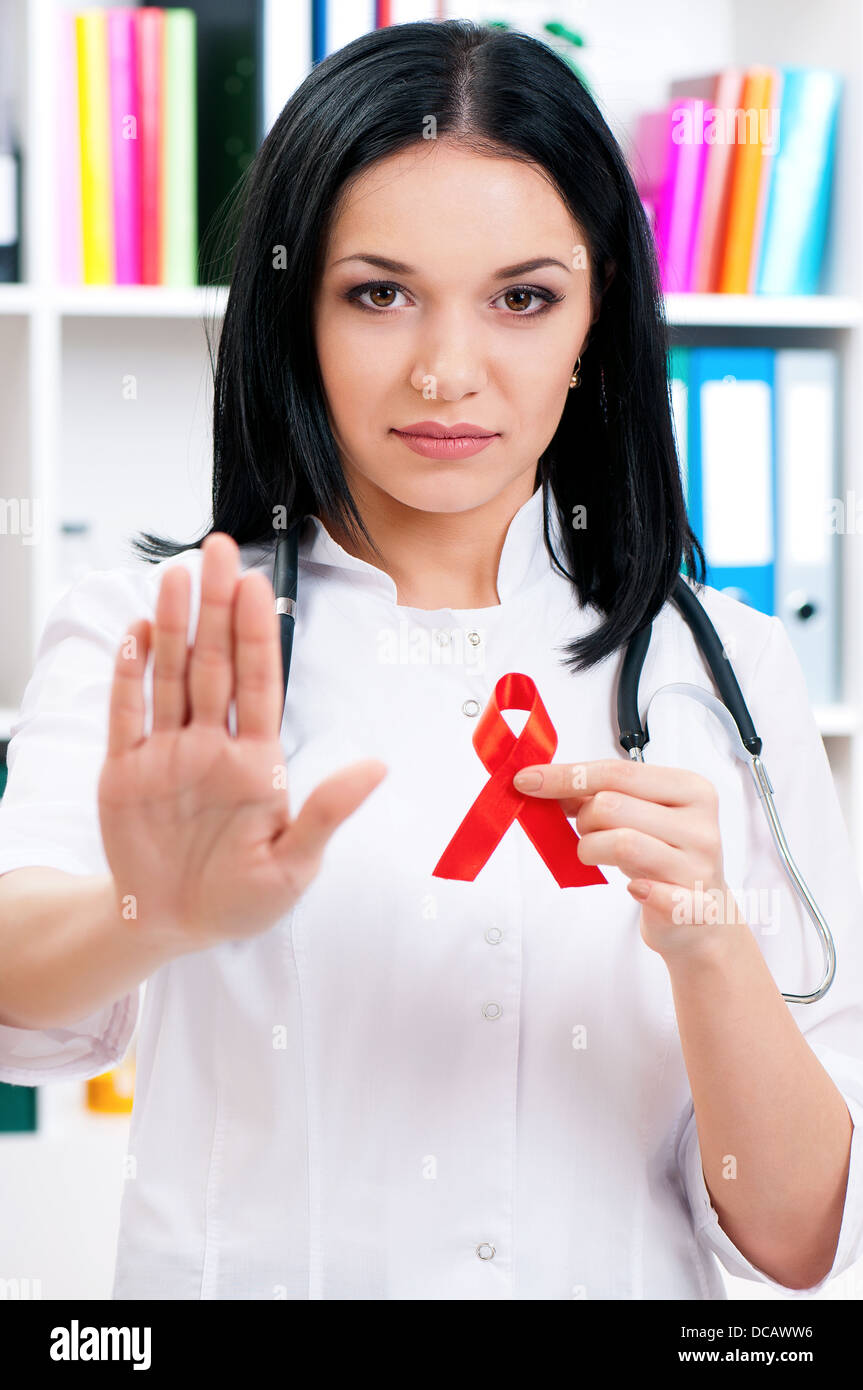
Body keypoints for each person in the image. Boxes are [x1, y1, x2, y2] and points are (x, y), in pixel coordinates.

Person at [1, 18, 863, 1302]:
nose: (446, 372)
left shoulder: (717, 669)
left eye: (522, 298)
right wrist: (158, 912)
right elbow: (22, 992)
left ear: (595, 314)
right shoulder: (165, 631)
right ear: (295, 309)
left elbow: (796, 1241)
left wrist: (708, 942)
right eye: (378, 292)